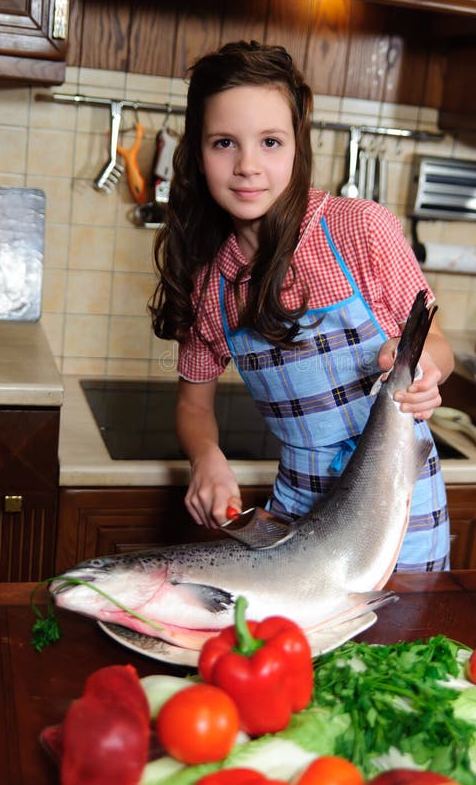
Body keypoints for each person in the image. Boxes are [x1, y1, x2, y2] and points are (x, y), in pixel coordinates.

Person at [150, 40, 454, 573]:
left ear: (297, 147)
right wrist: (206, 457)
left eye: (270, 141)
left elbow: (435, 343)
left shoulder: (359, 229)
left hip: (399, 507)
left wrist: (424, 371)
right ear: (198, 153)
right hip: (298, 510)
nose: (248, 166)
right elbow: (193, 408)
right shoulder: (209, 287)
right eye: (224, 143)